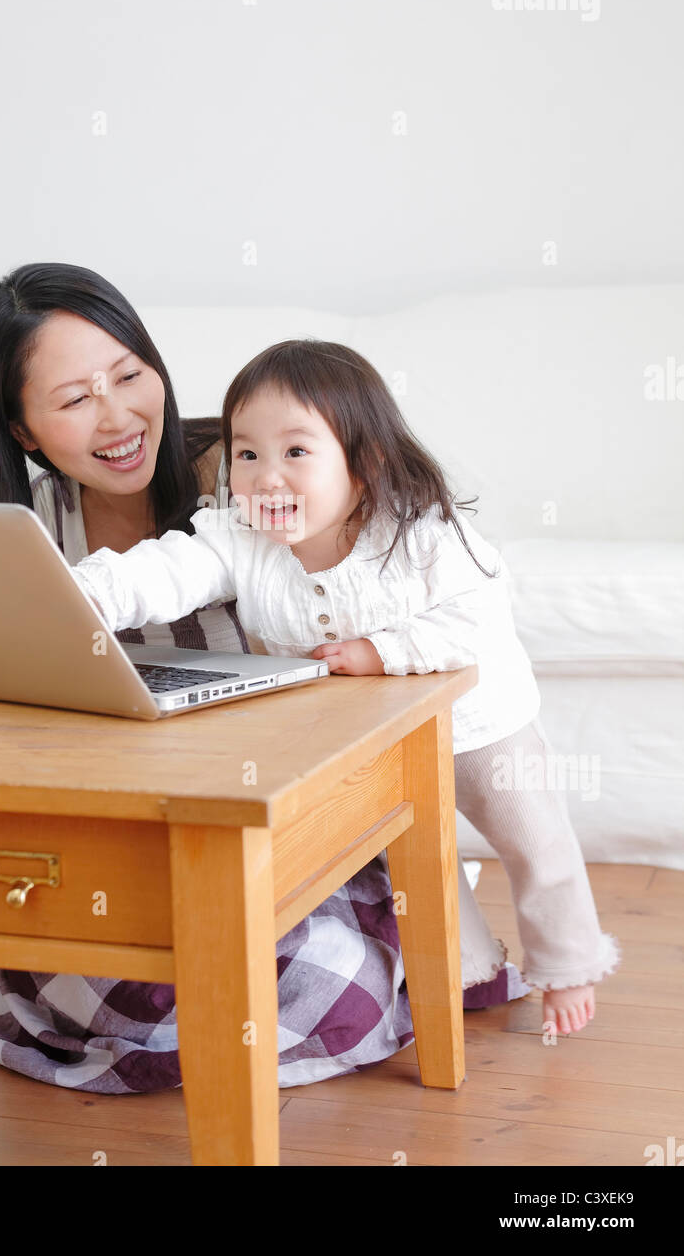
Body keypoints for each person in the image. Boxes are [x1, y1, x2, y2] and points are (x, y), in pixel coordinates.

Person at [0, 264, 534, 1095]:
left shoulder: (248, 475)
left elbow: (385, 572)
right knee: (118, 990)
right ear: (22, 430)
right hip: (118, 824)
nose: (118, 417)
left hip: (267, 805)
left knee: (321, 984)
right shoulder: (32, 523)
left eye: (130, 374)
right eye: (75, 399)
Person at [70, 336, 621, 1039]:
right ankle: (466, 968)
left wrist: (379, 651)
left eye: (296, 452)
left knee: (534, 840)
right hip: (372, 741)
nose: (267, 477)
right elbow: (166, 569)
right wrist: (84, 591)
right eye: (247, 454)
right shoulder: (238, 537)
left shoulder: (420, 532)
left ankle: (569, 965)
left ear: (366, 462)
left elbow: (476, 623)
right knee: (417, 860)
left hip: (482, 725)